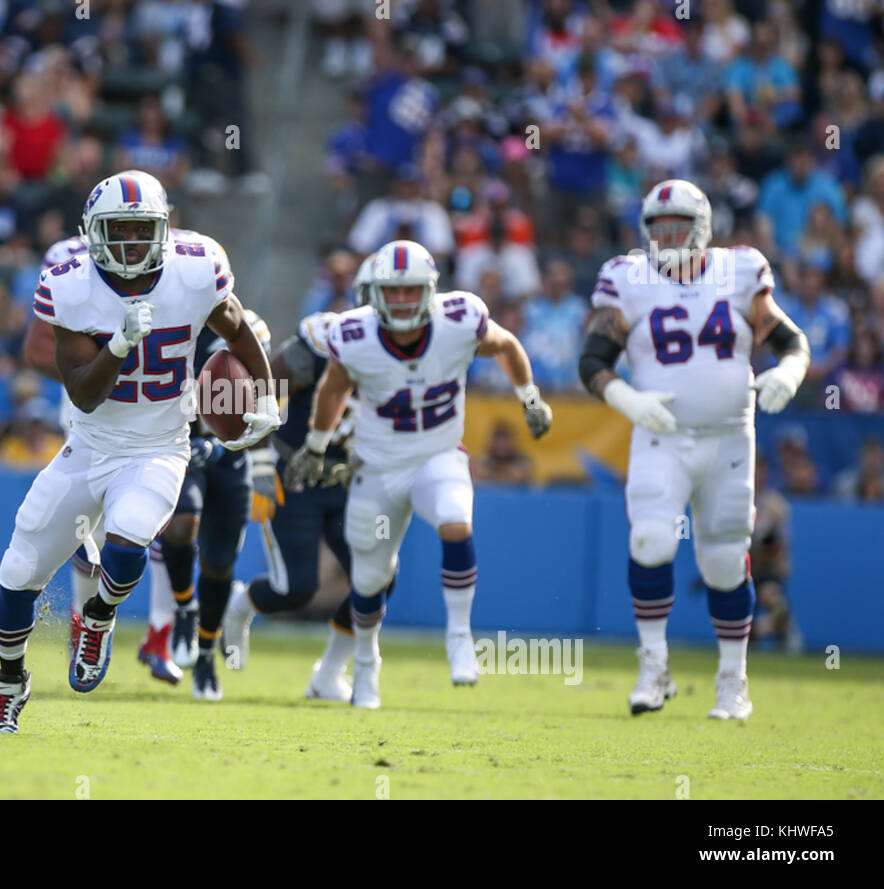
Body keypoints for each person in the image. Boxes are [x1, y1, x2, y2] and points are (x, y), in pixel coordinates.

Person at [0, 171, 279, 732]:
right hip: (90, 444)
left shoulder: (196, 268)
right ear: (92, 233)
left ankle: (98, 619)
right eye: (119, 231)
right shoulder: (70, 284)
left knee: (129, 537)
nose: (131, 244)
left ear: (164, 230)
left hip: (159, 446)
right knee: (18, 572)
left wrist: (266, 398)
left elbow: (239, 332)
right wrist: (118, 345)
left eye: (143, 231)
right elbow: (84, 395)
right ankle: (9, 682)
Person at [283, 239, 554, 708]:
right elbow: (331, 391)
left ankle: (459, 636)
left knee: (456, 519)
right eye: (395, 291)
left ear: (430, 291)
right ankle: (365, 668)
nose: (404, 300)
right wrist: (315, 443)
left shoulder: (459, 320)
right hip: (378, 467)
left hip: (438, 455)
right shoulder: (355, 334)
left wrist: (530, 397)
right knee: (370, 579)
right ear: (378, 294)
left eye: (412, 291)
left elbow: (506, 344)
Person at [577, 178, 810, 720]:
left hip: (730, 436)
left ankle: (734, 681)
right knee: (652, 539)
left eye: (679, 226)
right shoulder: (628, 278)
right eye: (659, 228)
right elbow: (592, 361)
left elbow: (789, 341)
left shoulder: (740, 270)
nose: (669, 237)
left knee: (726, 561)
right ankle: (654, 667)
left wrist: (791, 373)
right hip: (661, 436)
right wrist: (629, 401)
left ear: (702, 228)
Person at [222, 254, 392, 702]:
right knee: (294, 588)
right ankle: (240, 606)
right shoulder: (319, 344)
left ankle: (329, 673)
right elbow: (262, 394)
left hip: (352, 481)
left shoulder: (416, 350)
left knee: (377, 580)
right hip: (297, 477)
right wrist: (259, 465)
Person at [141, 304, 273, 701]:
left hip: (232, 459)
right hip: (183, 448)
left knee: (219, 564)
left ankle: (205, 655)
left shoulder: (253, 334)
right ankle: (184, 606)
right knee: (181, 525)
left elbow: (265, 411)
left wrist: (253, 462)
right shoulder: (180, 333)